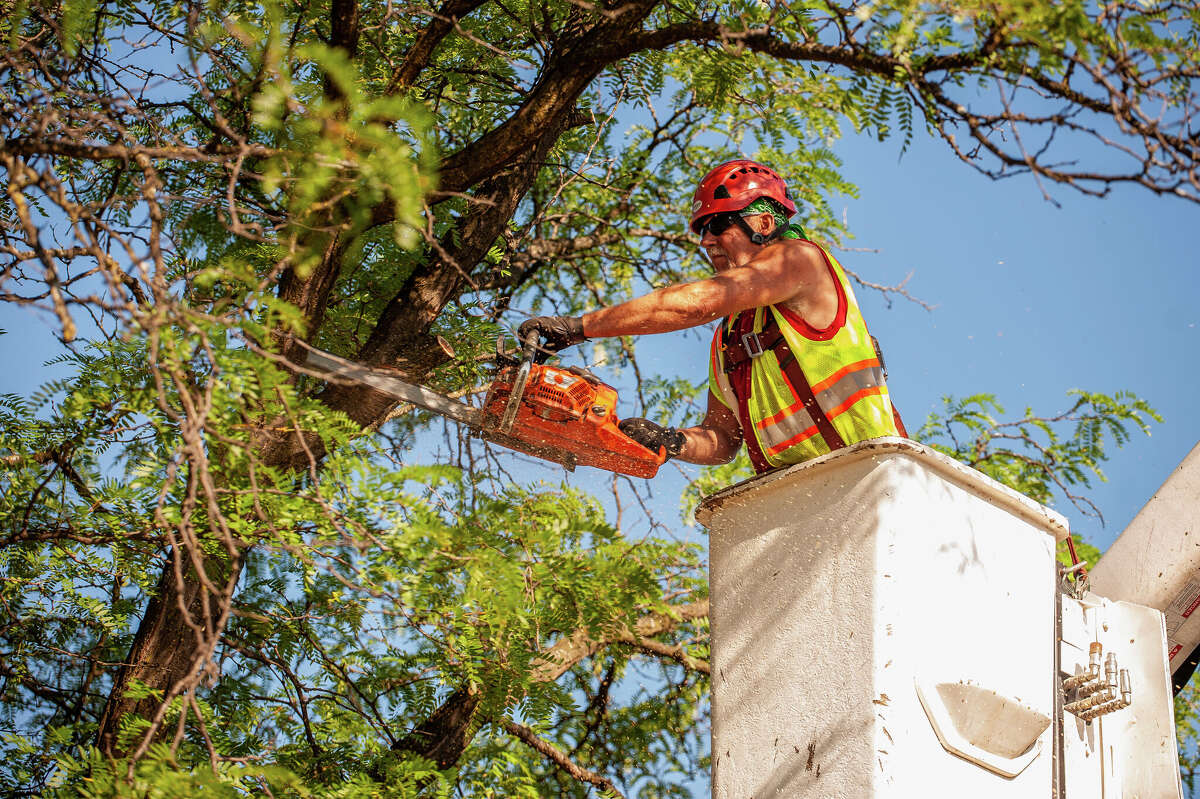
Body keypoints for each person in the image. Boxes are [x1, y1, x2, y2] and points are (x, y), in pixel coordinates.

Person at [518, 159, 906, 474]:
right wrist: (670, 441)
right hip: (797, 493)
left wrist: (579, 327)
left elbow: (699, 302)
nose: (706, 240)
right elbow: (723, 438)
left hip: (877, 471)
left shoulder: (799, 259)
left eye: (718, 225)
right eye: (703, 229)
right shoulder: (731, 337)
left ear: (764, 224)